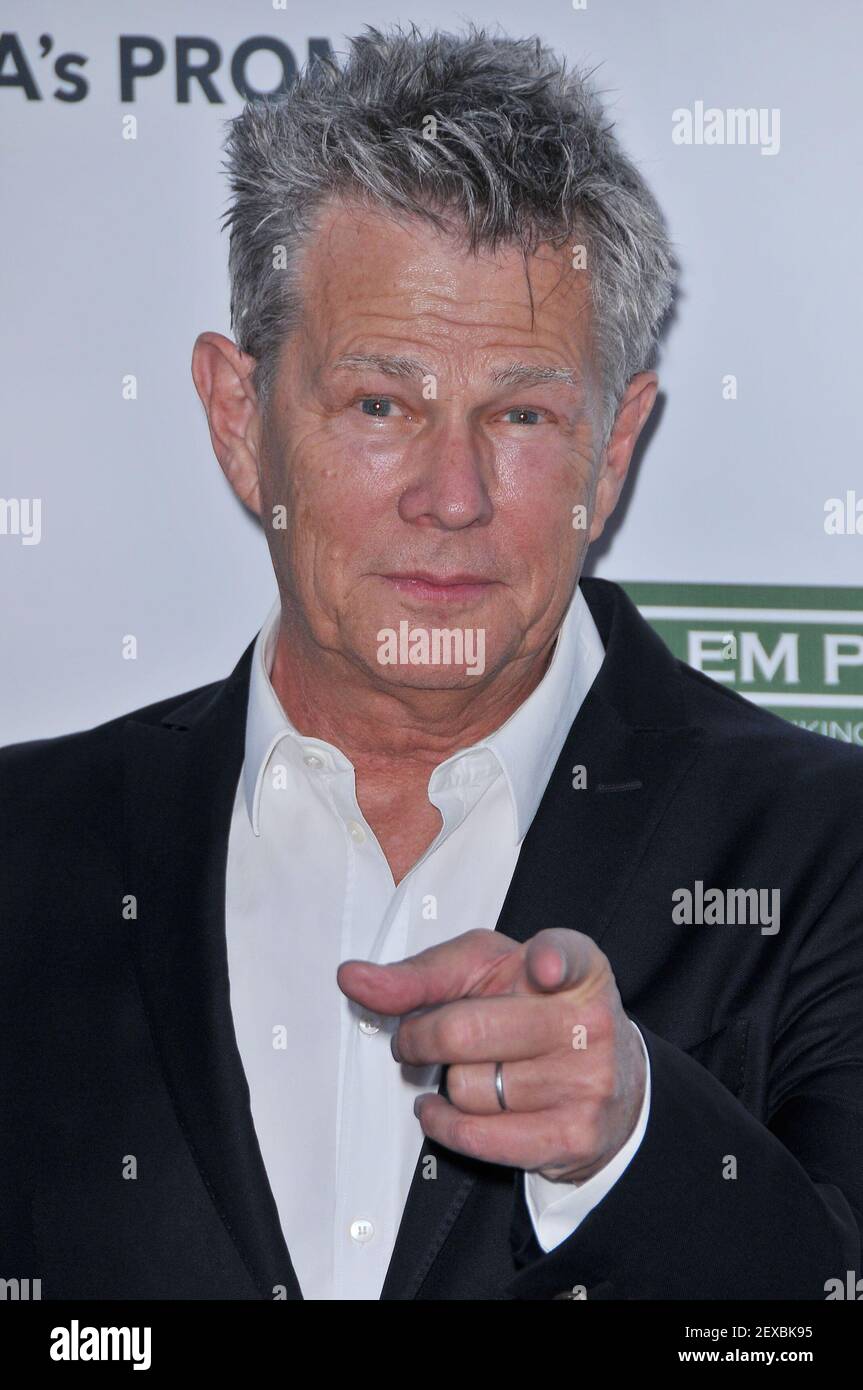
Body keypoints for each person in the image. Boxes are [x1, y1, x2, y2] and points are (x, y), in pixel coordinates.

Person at [1, 23, 861, 1301]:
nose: (450, 495)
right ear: (241, 424)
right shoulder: (24, 846)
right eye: (380, 405)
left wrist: (630, 1146)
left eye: (520, 413)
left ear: (612, 451)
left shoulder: (824, 848)